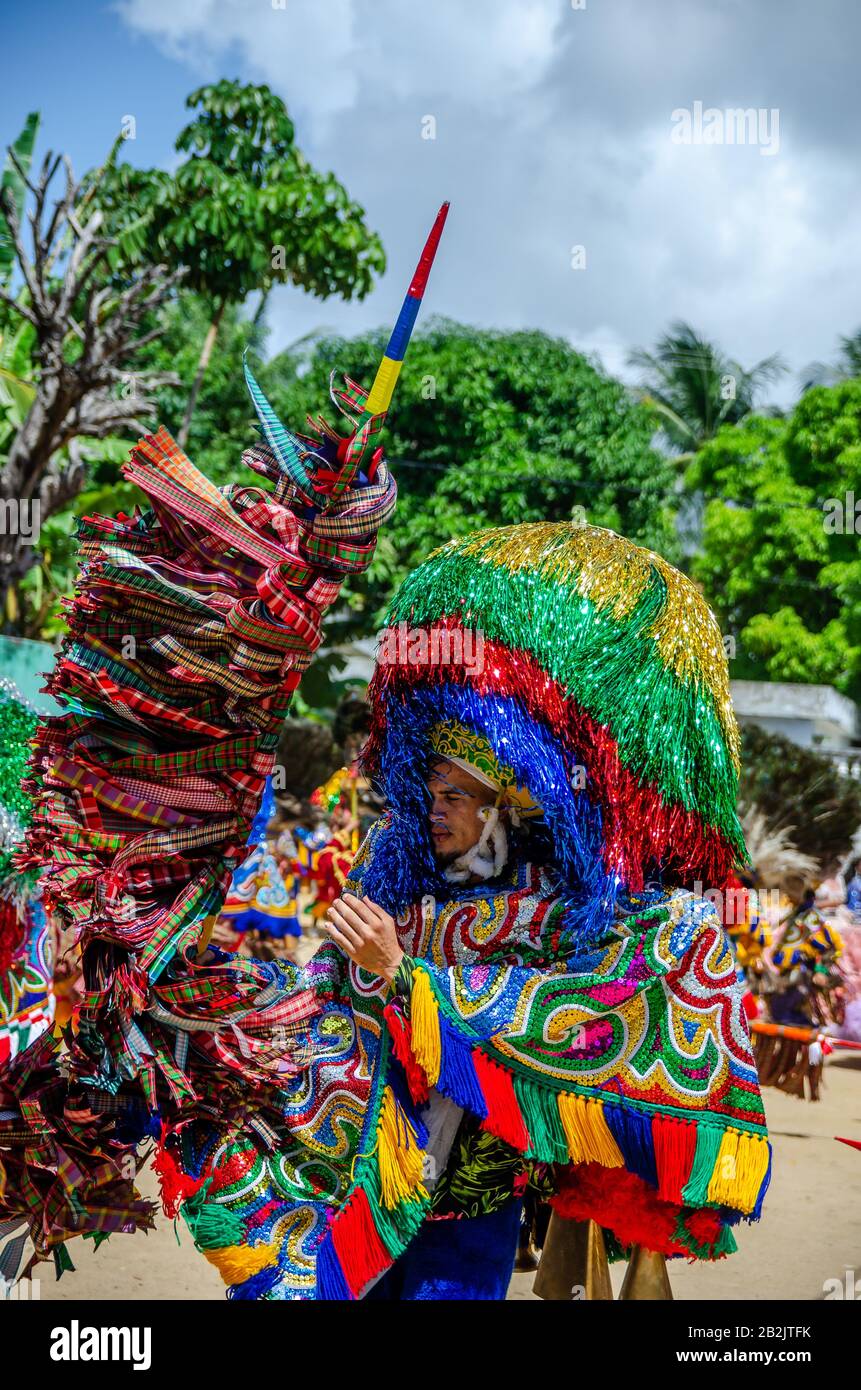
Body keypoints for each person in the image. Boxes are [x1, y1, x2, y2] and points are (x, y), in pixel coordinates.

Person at [0, 201, 771, 1299]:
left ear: (513, 800)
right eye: (431, 784)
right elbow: (323, 1021)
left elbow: (562, 1033)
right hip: (364, 1186)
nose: (435, 806)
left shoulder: (567, 912)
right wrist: (209, 995)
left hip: (463, 1224)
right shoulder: (392, 875)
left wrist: (404, 979)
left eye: (459, 790)